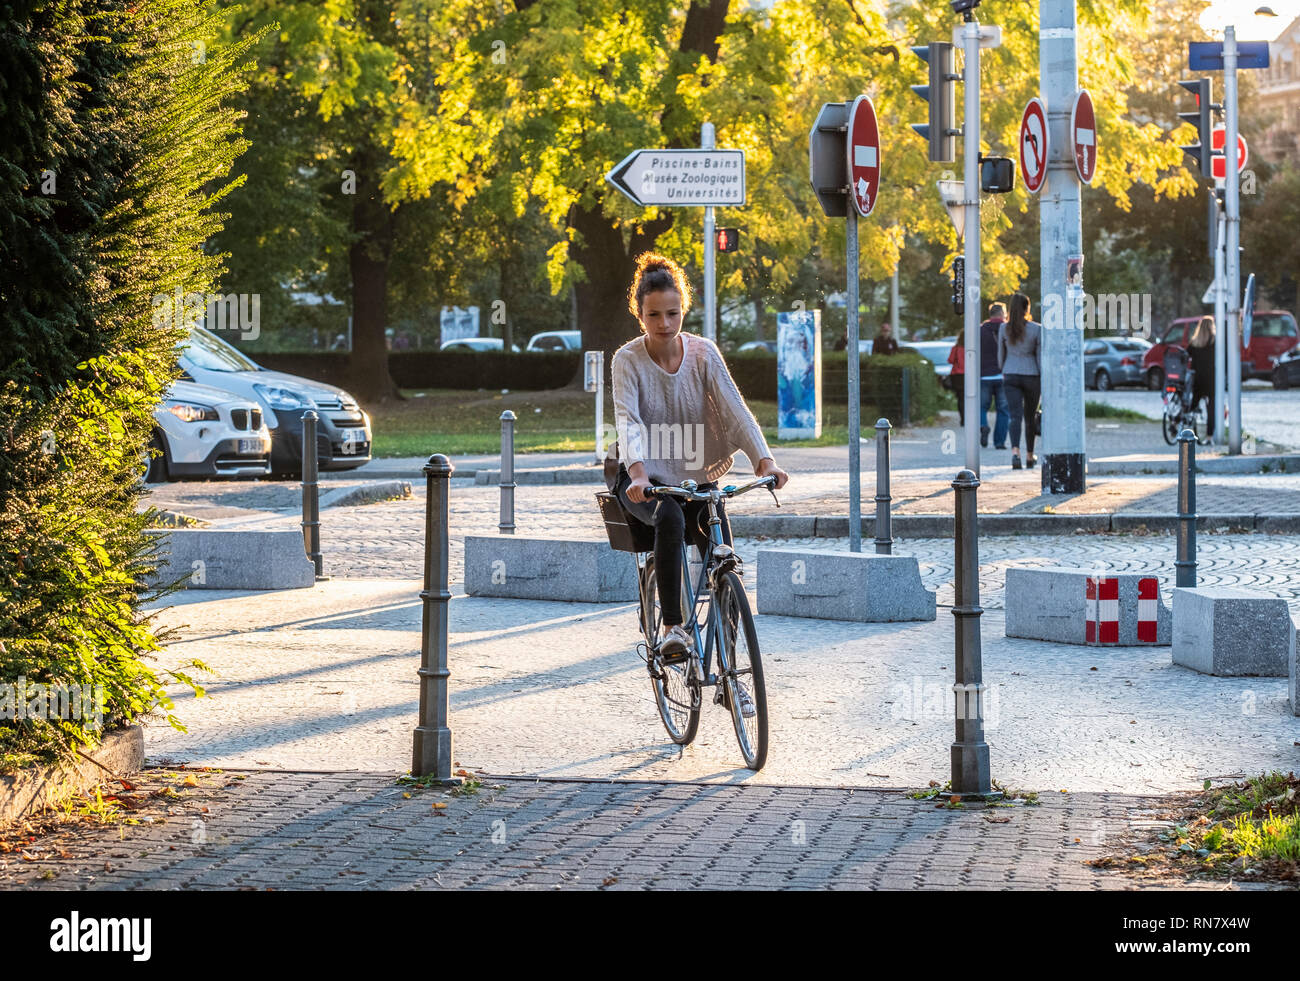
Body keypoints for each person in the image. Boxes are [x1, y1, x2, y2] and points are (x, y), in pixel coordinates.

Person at [607, 253, 790, 662]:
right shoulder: (627, 360)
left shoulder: (704, 353)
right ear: (640, 315)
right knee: (668, 516)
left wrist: (765, 461)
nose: (665, 324)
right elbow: (628, 420)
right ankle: (673, 628)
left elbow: (735, 410)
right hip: (644, 483)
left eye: (673, 313)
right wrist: (637, 474)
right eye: (654, 315)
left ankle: (730, 667)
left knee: (725, 553)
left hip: (694, 480)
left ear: (683, 309)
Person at [998, 292, 1042, 469]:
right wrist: (1041, 374)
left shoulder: (1004, 328)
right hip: (1031, 374)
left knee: (1014, 416)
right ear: (1026, 308)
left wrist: (1004, 369)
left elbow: (1000, 355)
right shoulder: (1036, 329)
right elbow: (1039, 356)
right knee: (1030, 417)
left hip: (1010, 373)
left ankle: (1015, 453)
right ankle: (1030, 455)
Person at [979, 302, 1011, 449]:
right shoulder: (1009, 328)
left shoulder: (981, 330)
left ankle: (983, 425)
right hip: (1003, 375)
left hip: (984, 375)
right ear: (1003, 313)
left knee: (981, 407)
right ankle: (999, 442)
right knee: (1003, 410)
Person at [1188, 315, 1216, 438]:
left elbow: (1186, 354)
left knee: (1193, 404)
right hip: (1211, 378)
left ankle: (1184, 426)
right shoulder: (1214, 341)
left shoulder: (1195, 341)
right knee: (1211, 407)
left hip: (1197, 378)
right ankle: (1209, 435)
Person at [947, 328, 966, 426]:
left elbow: (950, 360)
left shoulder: (956, 348)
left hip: (957, 375)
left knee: (960, 398)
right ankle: (969, 417)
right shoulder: (972, 348)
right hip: (969, 375)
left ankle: (963, 419)